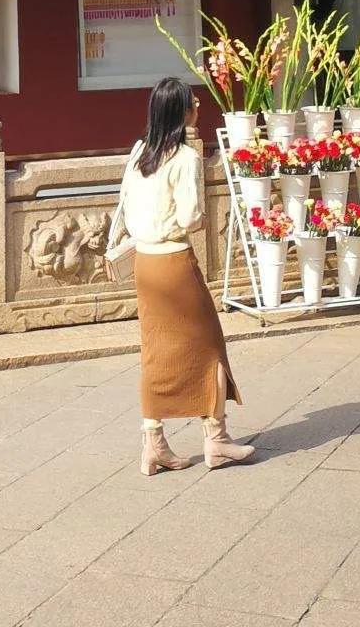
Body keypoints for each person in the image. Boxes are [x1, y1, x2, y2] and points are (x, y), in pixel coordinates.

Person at [114, 78, 252, 475]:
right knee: (209, 344)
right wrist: (206, 217)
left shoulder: (141, 151)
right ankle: (217, 437)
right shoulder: (186, 158)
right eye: (194, 101)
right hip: (174, 262)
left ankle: (153, 442)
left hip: (145, 262)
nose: (198, 106)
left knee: (155, 349)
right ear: (182, 113)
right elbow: (191, 217)